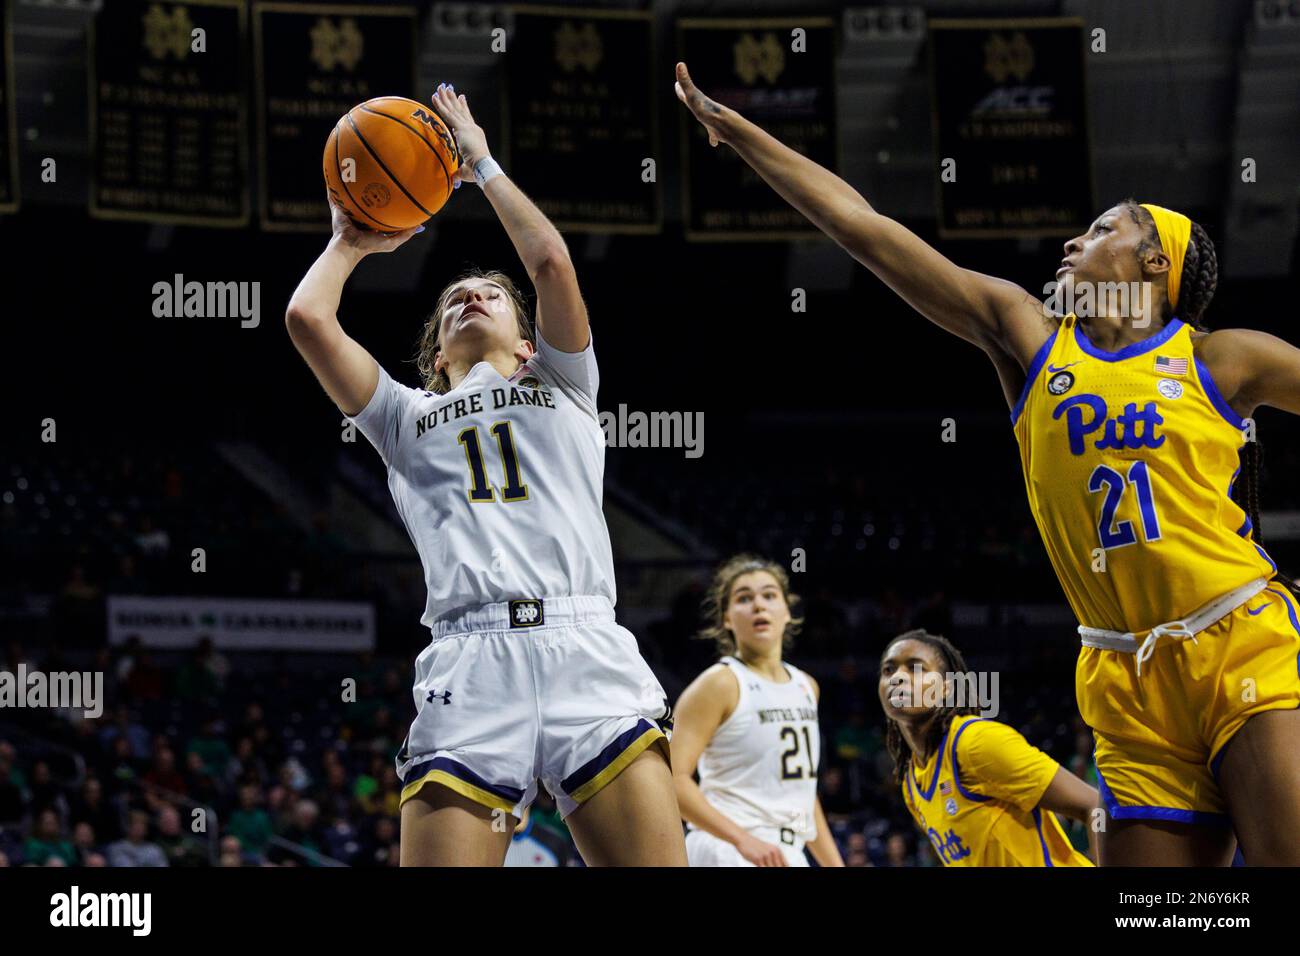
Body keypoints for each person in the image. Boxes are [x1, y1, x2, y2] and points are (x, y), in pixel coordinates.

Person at [675, 61, 1300, 866]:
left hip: (1236, 637)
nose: (1077, 238)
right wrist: (741, 135)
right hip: (1118, 670)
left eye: (1107, 228)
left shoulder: (1222, 357)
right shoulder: (1030, 335)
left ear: (1156, 265)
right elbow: (866, 229)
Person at [286, 83, 682, 866]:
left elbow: (549, 259)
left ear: (527, 342)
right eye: (456, 300)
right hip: (469, 663)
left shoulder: (565, 383)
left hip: (584, 649)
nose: (472, 294)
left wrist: (481, 162)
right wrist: (352, 239)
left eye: (492, 295)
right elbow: (306, 320)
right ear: (436, 355)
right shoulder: (400, 416)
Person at [671, 555, 844, 867]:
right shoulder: (720, 683)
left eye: (769, 595)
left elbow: (802, 797)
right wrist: (741, 839)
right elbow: (674, 780)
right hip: (729, 847)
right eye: (744, 598)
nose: (758, 605)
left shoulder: (807, 687)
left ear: (787, 611)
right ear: (726, 618)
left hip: (785, 851)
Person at [880, 630, 1095, 867]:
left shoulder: (975, 742)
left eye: (915, 668)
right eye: (888, 670)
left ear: (947, 688)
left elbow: (1095, 805)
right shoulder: (911, 783)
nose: (898, 677)